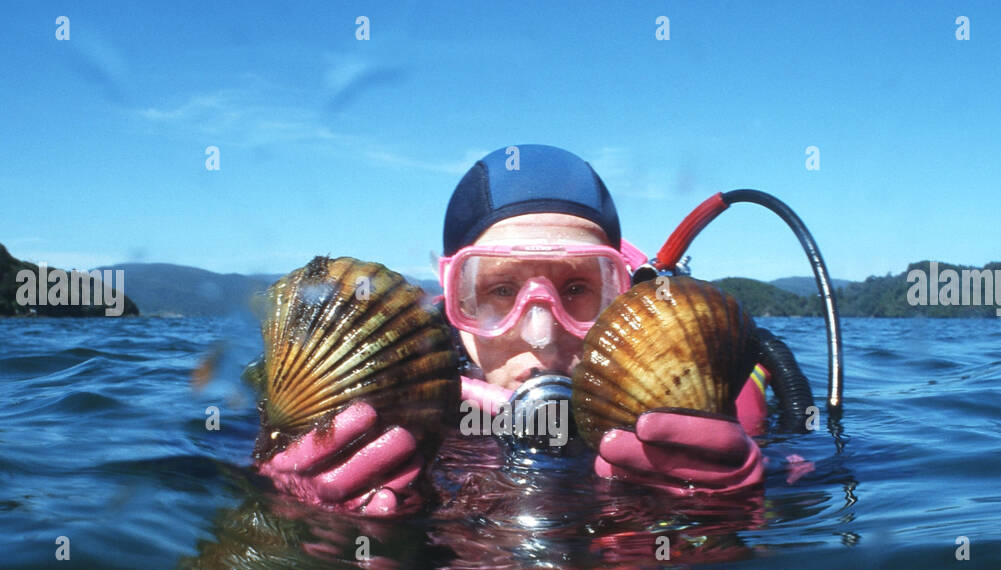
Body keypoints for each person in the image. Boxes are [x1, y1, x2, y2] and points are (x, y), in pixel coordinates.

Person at [258, 144, 773, 514]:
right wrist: (291, 506)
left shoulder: (705, 414)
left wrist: (726, 515)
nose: (541, 334)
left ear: (622, 298)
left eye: (576, 290)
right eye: (501, 292)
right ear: (455, 301)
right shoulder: (387, 393)